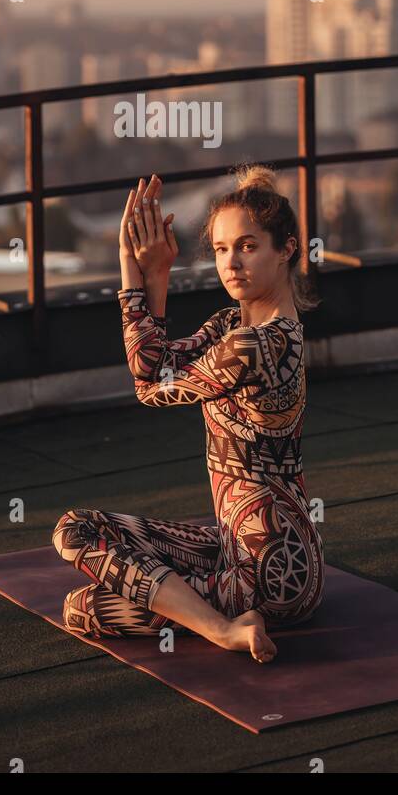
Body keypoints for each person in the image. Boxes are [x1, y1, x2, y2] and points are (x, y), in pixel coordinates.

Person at [51, 163, 324, 664]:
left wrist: (130, 273)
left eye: (247, 246)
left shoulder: (257, 344)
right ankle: (223, 620)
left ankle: (221, 629)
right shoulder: (230, 324)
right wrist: (154, 274)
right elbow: (154, 368)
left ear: (286, 249)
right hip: (230, 546)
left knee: (84, 607)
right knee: (75, 529)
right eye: (221, 249)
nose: (231, 263)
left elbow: (151, 389)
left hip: (270, 572)